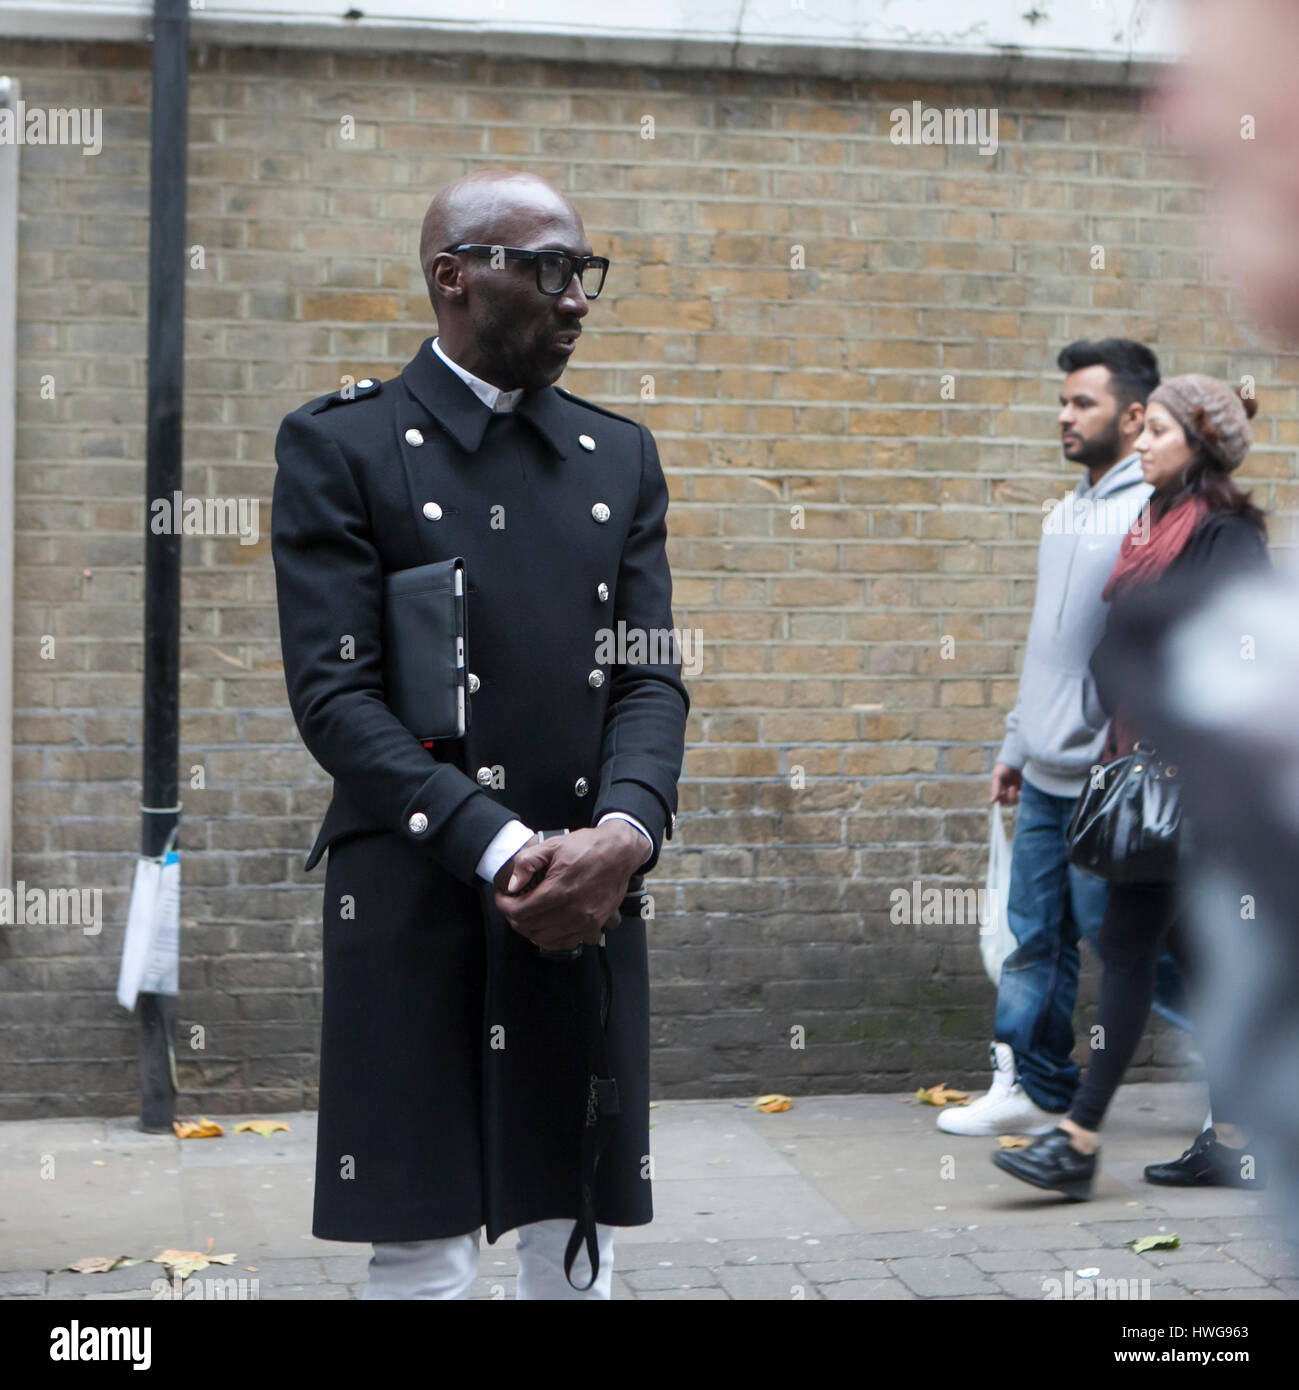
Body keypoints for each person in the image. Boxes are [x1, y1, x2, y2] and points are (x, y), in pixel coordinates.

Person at [270, 170, 689, 1297]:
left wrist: (627, 831)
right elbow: (335, 697)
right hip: (419, 887)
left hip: (586, 884)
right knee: (425, 1239)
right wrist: (502, 846)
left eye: (584, 272)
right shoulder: (344, 447)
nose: (577, 298)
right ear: (453, 276)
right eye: (549, 268)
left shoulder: (617, 458)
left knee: (577, 1226)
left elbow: (649, 677)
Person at [994, 374, 1270, 1199]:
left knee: (1123, 948)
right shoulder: (1150, 523)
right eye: (1141, 430)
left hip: (1190, 786)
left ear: (1201, 444)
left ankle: (1076, 1141)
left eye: (1158, 432)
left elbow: (1231, 659)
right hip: (1142, 771)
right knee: (1194, 957)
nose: (1141, 443)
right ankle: (1234, 1135)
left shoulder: (1225, 533)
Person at [941, 339, 1175, 1137]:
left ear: (1134, 414)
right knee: (1032, 937)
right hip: (1042, 770)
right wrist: (1015, 742)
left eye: (1083, 403)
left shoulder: (1147, 515)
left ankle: (1251, 1064)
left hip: (1107, 781)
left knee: (1142, 949)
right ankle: (1032, 1080)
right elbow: (1046, 645)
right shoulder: (1067, 511)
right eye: (1063, 402)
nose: (1063, 416)